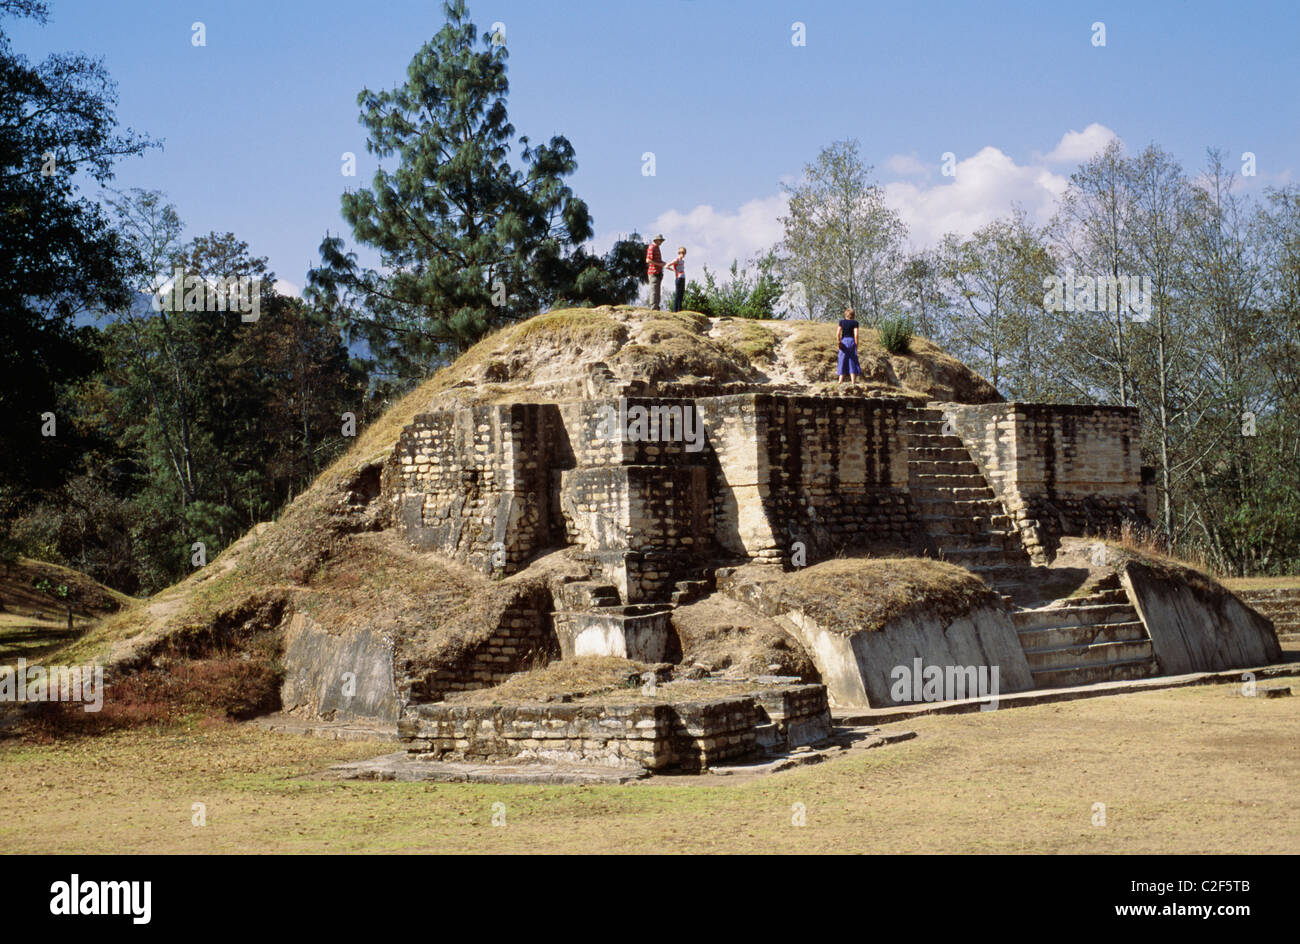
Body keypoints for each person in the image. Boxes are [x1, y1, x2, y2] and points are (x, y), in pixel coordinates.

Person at [837, 307, 861, 383]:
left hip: (843, 341)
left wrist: (839, 342)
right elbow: (856, 334)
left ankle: (840, 381)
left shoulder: (841, 322)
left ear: (845, 315)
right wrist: (856, 344)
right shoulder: (855, 323)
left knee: (842, 359)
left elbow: (838, 333)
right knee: (852, 360)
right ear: (853, 315)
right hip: (851, 341)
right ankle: (853, 381)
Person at [645, 234, 667, 309]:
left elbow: (656, 260)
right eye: (660, 240)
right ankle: (653, 306)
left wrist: (662, 263)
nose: (661, 242)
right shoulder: (652, 247)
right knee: (654, 289)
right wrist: (659, 264)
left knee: (657, 290)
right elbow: (648, 260)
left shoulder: (657, 248)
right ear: (656, 240)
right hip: (653, 272)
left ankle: (656, 306)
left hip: (658, 272)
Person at [665, 246, 687, 312]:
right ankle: (675, 311)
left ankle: (680, 310)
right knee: (677, 295)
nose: (682, 254)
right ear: (679, 253)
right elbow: (667, 266)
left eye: (684, 253)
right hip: (678, 278)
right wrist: (673, 270)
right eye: (681, 253)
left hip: (683, 277)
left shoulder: (682, 261)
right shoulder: (676, 260)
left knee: (681, 295)